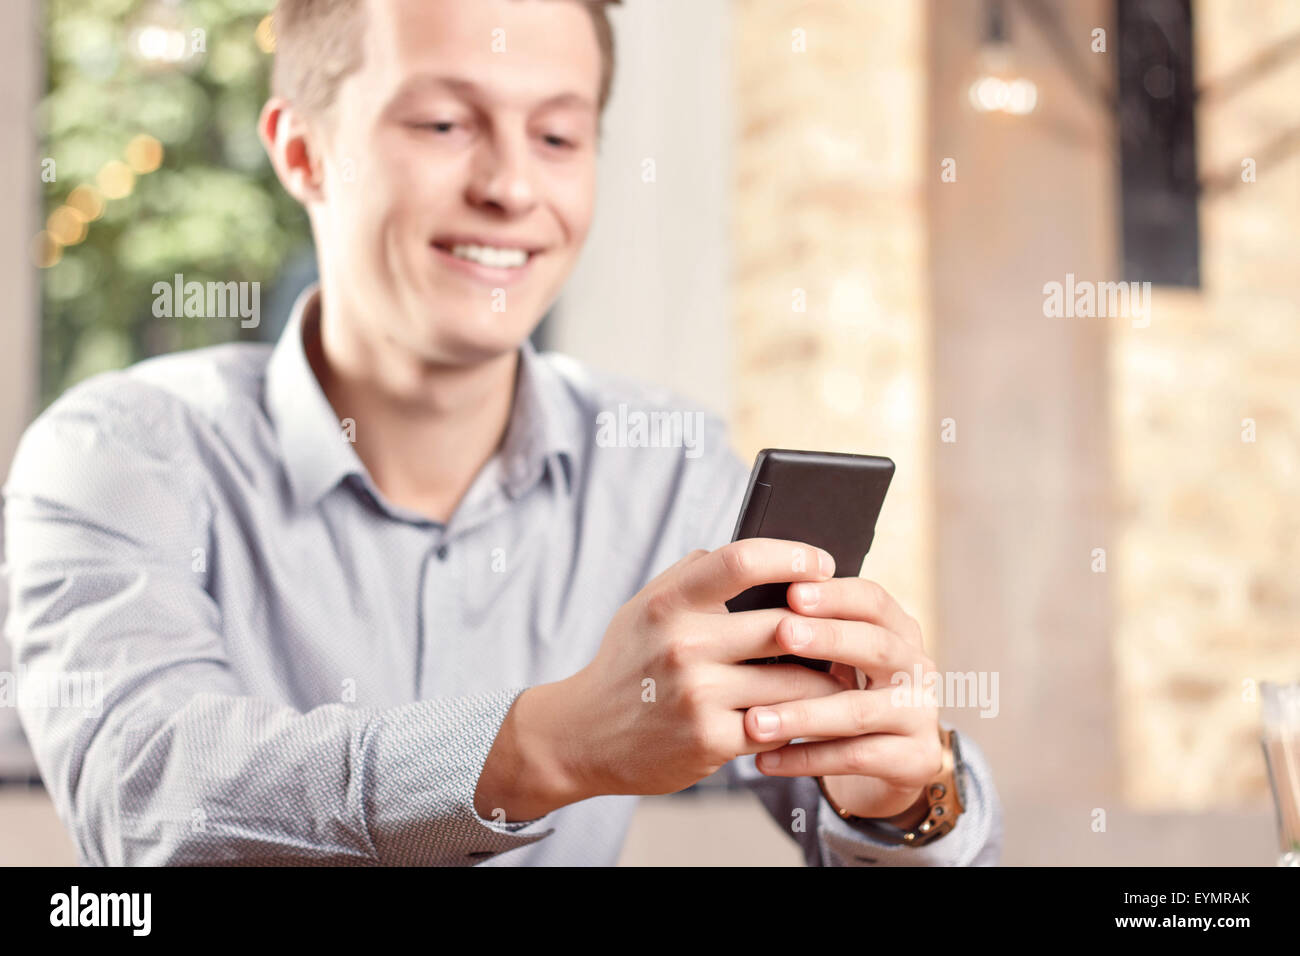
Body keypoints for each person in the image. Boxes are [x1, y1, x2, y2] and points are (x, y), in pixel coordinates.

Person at [3, 0, 1001, 866]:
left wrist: (898, 798)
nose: (513, 188)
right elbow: (152, 800)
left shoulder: (666, 465)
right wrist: (546, 744)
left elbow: (922, 838)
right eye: (444, 123)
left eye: (559, 138)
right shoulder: (115, 452)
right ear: (300, 149)